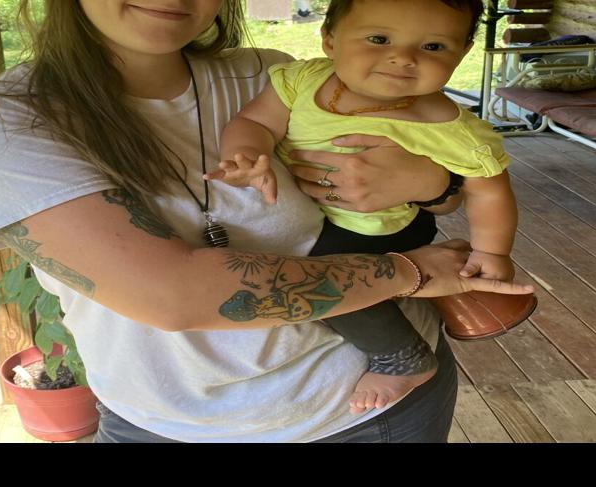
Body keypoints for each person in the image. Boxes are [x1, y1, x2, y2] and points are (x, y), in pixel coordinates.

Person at [0, 0, 533, 442]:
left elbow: (449, 187)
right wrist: (409, 272)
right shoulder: (0, 122)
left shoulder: (270, 75)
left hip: (369, 413)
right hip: (169, 423)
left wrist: (430, 183)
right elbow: (172, 295)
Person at [206, 0, 518, 414]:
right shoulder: (303, 81)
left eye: (433, 47)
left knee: (322, 277)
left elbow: (489, 190)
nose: (403, 57)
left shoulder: (449, 126)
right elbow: (255, 123)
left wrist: (493, 253)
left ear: (462, 52)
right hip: (327, 219)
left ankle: (402, 357)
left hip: (378, 227)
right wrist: (245, 156)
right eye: (379, 39)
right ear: (329, 39)